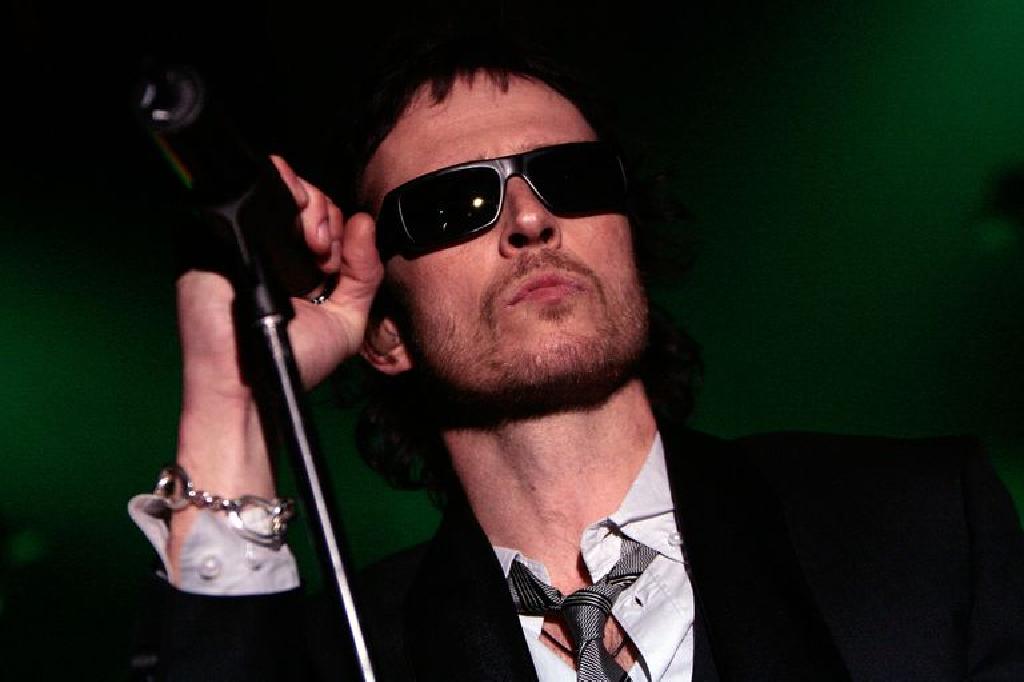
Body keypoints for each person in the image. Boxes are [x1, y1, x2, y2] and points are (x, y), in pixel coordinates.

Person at [130, 33, 1024, 681]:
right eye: (452, 205)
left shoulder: (919, 525)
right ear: (384, 330)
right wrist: (235, 395)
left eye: (573, 178)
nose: (530, 218)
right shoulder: (347, 651)